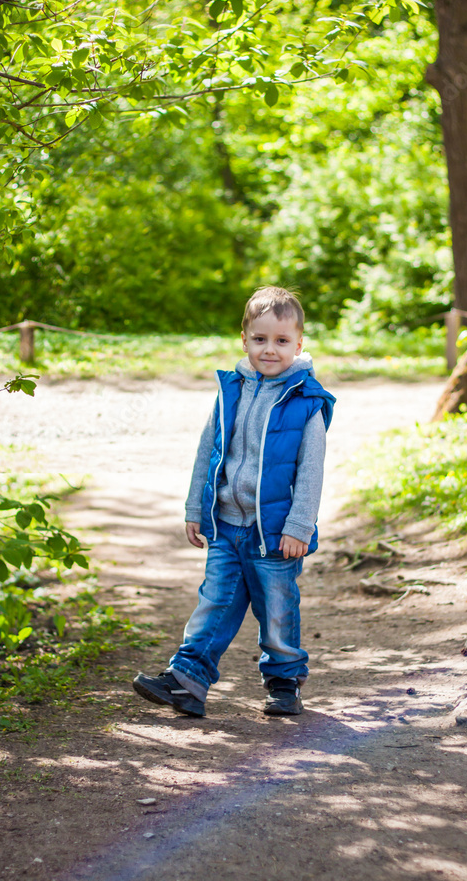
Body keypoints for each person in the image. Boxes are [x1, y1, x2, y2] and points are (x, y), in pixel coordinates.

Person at [133, 286, 335, 717]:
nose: (269, 349)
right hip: (226, 523)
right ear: (244, 339)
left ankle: (284, 682)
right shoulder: (231, 391)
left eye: (281, 341)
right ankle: (187, 681)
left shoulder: (307, 402)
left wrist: (299, 527)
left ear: (299, 345)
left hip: (276, 534)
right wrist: (195, 509)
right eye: (260, 339)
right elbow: (209, 451)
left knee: (277, 610)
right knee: (215, 602)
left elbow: (311, 471)